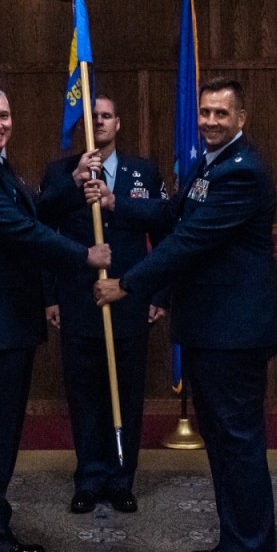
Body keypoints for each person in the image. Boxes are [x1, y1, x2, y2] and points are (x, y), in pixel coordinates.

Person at [93, 77, 277, 552]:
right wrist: (116, 204)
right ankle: (236, 543)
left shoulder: (243, 173)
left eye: (221, 114)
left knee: (238, 443)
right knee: (222, 443)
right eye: (204, 112)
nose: (209, 121)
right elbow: (171, 213)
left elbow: (189, 241)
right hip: (210, 327)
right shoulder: (208, 162)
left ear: (241, 119)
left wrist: (127, 285)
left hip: (234, 330)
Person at [0, 84, 111, 552]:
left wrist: (71, 181)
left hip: (9, 323)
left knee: (1, 439)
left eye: (4, 115)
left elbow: (31, 211)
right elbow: (22, 232)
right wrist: (84, 256)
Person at [38, 95, 168, 516]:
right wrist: (50, 297)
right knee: (84, 394)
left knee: (127, 393)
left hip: (130, 297)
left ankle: (121, 478)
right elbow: (40, 227)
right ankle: (90, 478)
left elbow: (165, 224)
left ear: (119, 123)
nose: (100, 122)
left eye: (107, 116)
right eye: (92, 118)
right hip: (78, 299)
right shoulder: (61, 172)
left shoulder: (143, 171)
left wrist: (159, 293)